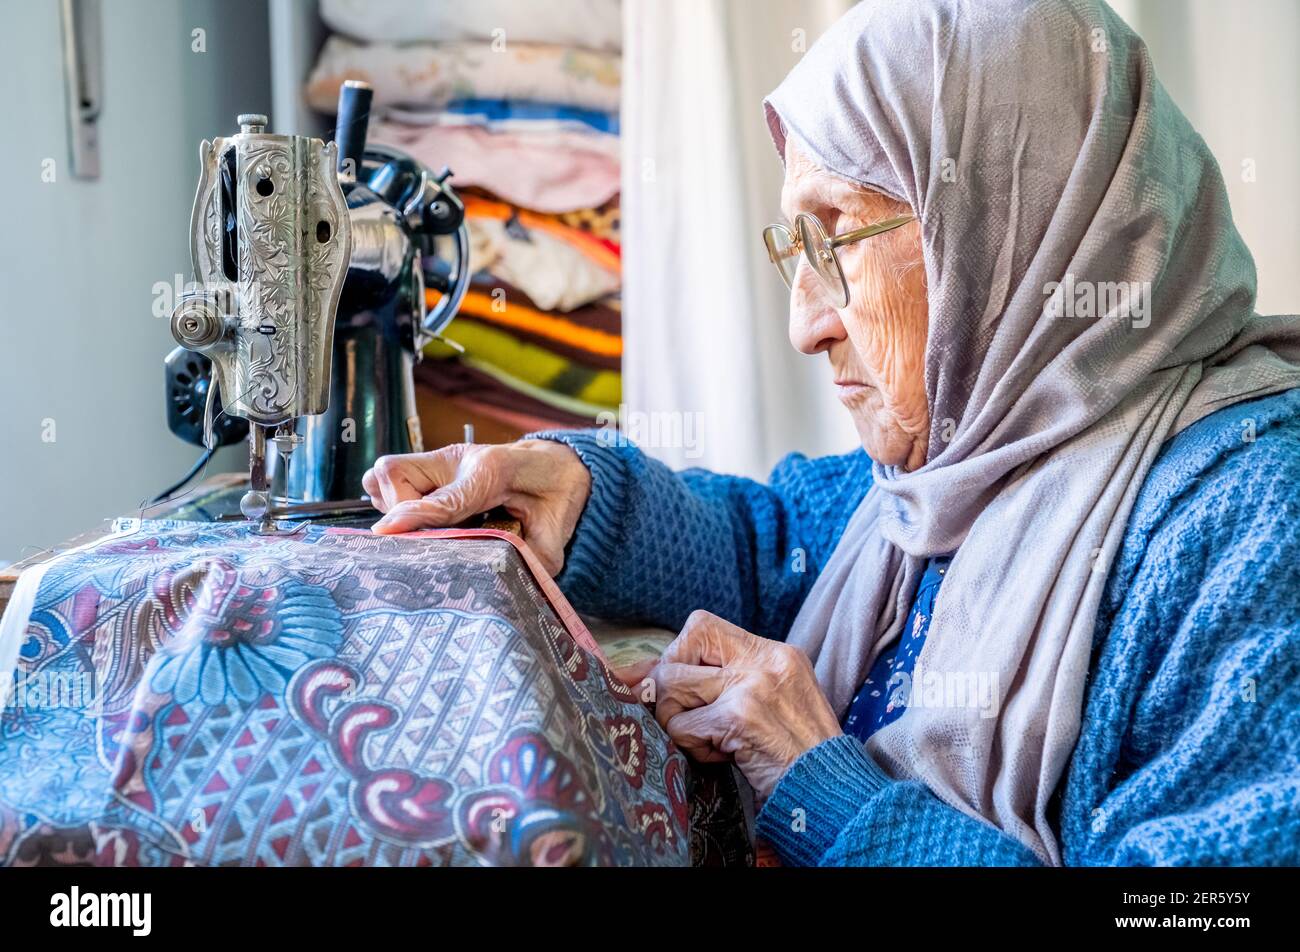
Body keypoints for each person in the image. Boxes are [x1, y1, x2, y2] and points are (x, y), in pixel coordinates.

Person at [362, 0, 1300, 865]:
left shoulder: (1255, 526)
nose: (804, 324)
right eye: (793, 250)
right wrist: (577, 494)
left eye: (836, 235)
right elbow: (775, 547)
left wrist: (828, 794)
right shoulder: (963, 460)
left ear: (1008, 218)